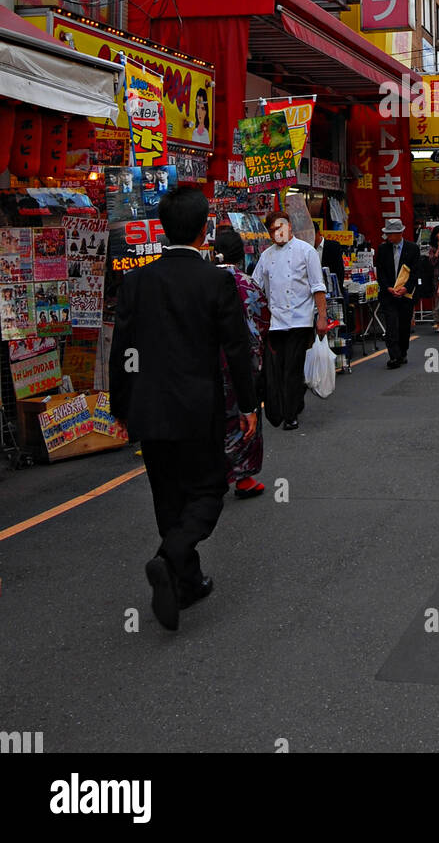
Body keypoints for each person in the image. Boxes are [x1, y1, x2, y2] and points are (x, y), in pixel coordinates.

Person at [109, 187, 255, 631]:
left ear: (162, 227)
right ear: (205, 228)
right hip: (198, 408)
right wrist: (249, 405)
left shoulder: (136, 282)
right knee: (209, 490)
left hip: (150, 410)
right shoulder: (215, 281)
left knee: (168, 497)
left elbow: (121, 351)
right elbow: (237, 349)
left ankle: (187, 582)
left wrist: (121, 406)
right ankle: (170, 558)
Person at [253, 209, 328, 431]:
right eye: (273, 229)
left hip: (300, 319)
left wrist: (322, 317)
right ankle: (292, 402)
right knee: (278, 368)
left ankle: (290, 414)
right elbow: (256, 286)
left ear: (290, 227)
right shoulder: (266, 256)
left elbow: (318, 287)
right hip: (276, 322)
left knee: (292, 368)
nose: (278, 233)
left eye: (281, 227)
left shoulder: (306, 252)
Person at [213, 228, 270, 500]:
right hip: (243, 362)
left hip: (207, 362)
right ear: (241, 254)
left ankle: (214, 475)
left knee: (213, 417)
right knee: (245, 414)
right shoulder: (248, 285)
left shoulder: (202, 282)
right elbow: (262, 322)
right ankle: (244, 477)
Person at [374, 218, 421, 369]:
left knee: (404, 325)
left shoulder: (412, 248)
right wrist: (387, 287)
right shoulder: (382, 249)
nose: (388, 237)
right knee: (391, 324)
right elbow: (380, 271)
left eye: (391, 234)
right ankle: (394, 355)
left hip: (405, 295)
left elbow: (415, 272)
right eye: (387, 234)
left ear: (399, 233)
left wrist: (406, 288)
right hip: (389, 294)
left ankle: (402, 352)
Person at [314, 224, 345, 293]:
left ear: (318, 233)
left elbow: (339, 272)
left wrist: (335, 291)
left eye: (311, 234)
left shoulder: (333, 246)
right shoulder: (306, 249)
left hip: (330, 290)